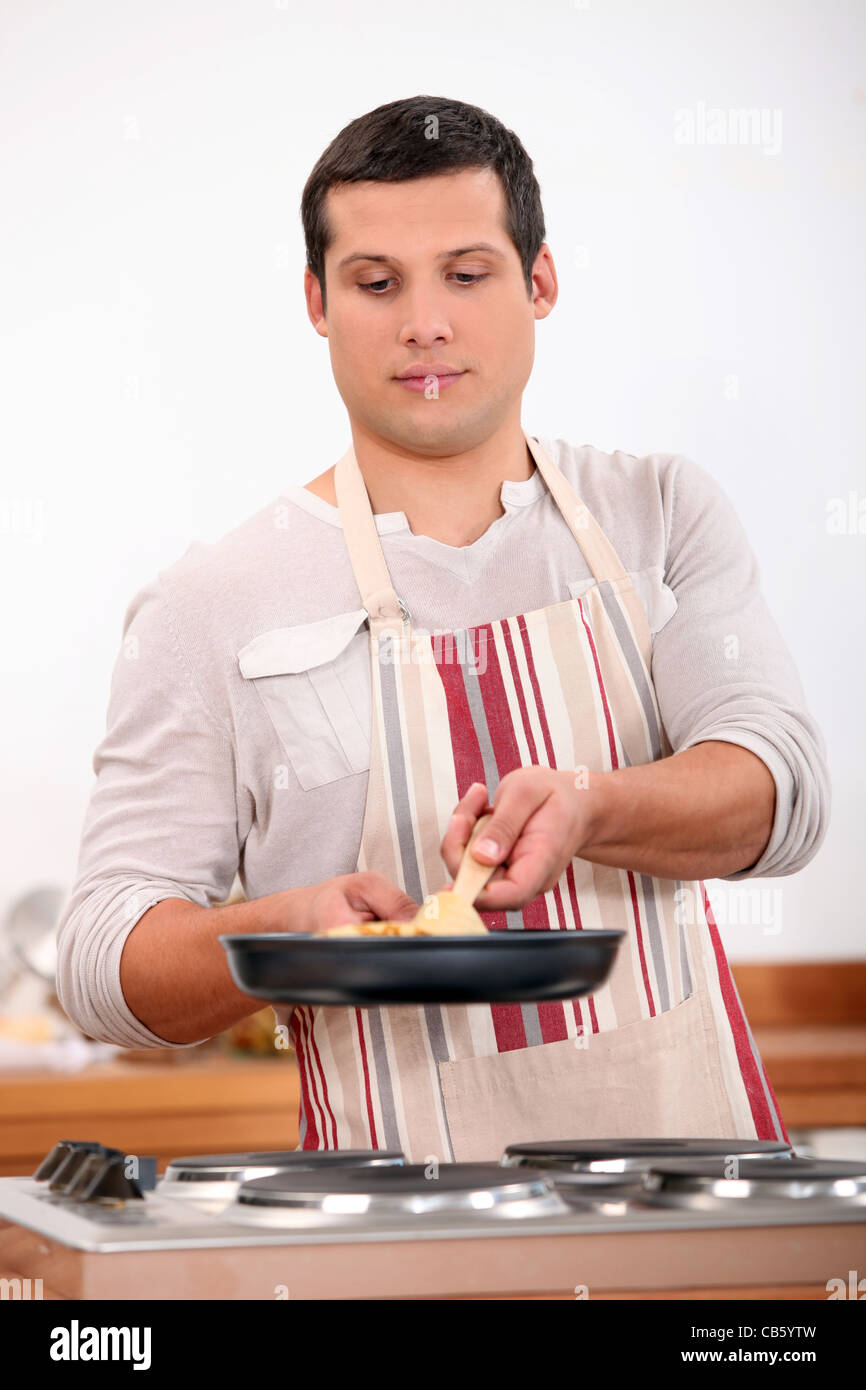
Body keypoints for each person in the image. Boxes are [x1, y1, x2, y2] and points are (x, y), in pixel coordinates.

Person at [56, 95, 829, 1162]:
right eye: (376, 284)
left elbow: (779, 795)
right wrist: (281, 931)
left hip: (683, 1219)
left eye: (465, 274)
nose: (424, 322)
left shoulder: (657, 515)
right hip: (387, 1237)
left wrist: (589, 807)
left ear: (539, 281)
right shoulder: (211, 604)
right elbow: (100, 961)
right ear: (317, 302)